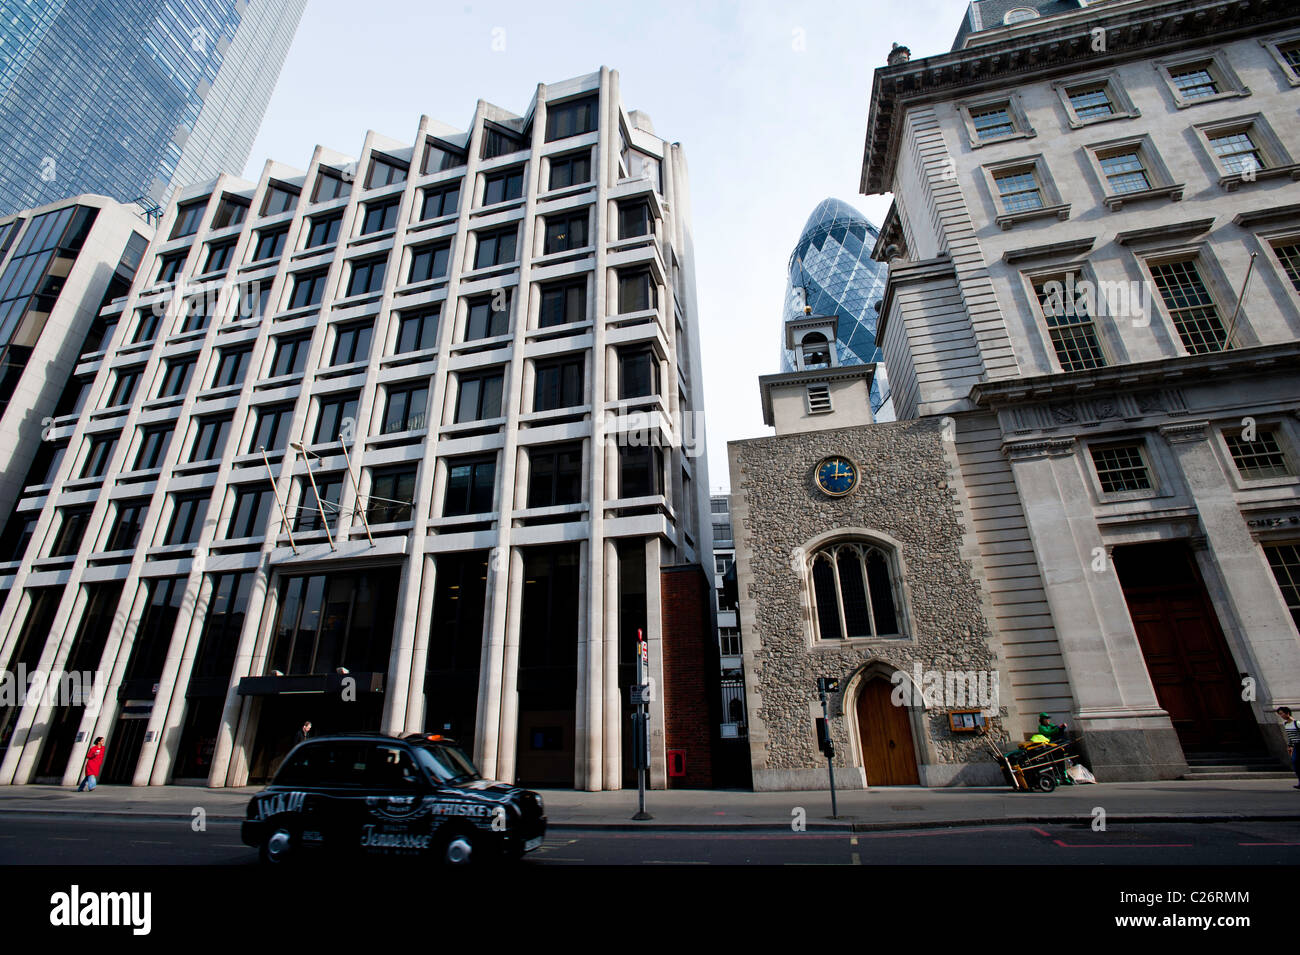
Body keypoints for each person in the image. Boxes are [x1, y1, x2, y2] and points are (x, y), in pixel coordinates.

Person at [1278, 707, 1300, 789]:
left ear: (1287, 713)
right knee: (1295, 763)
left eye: (1282, 713)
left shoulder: (1297, 723)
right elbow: (1290, 737)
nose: (1281, 715)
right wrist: (1290, 746)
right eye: (1280, 714)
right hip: (1295, 746)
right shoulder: (1286, 724)